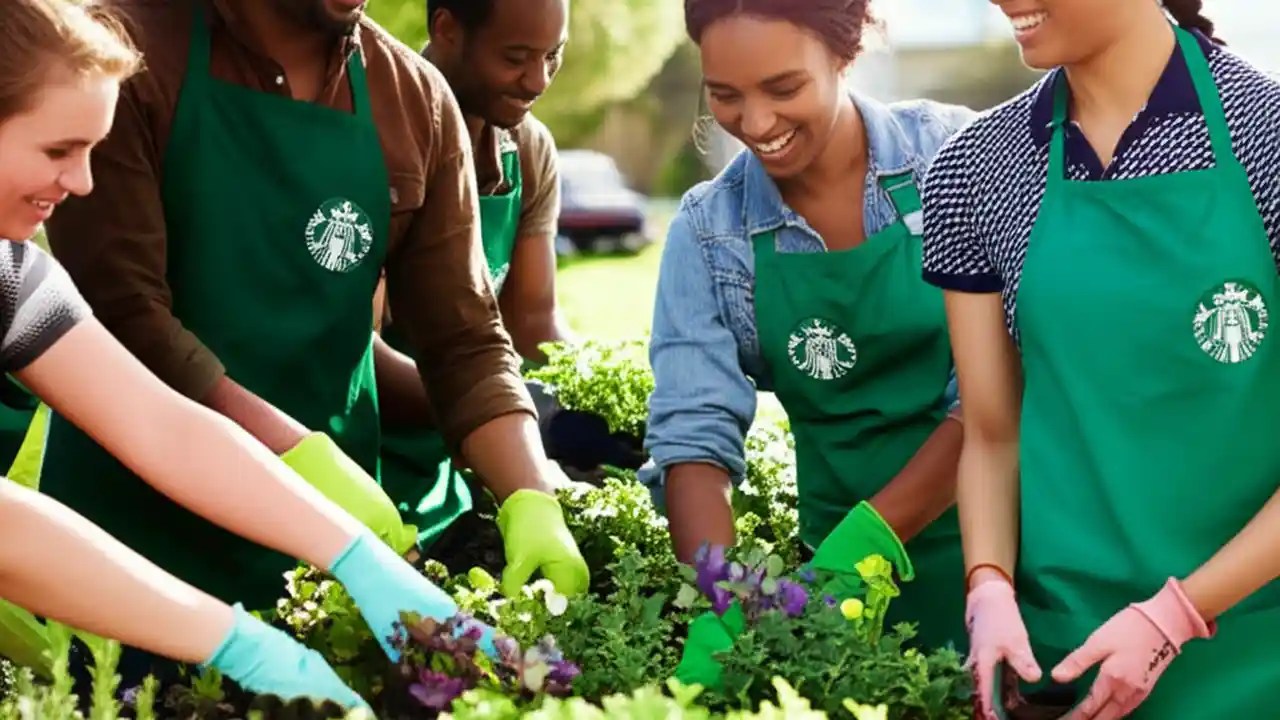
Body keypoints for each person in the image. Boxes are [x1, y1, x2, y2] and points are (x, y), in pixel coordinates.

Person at [39, 0, 589, 624]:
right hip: (135, 547)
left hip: (332, 557)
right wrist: (298, 461)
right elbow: (125, 315)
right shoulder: (125, 53)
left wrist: (531, 494)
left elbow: (465, 342)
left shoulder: (413, 100)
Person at [0, 0, 481, 707]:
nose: (82, 184)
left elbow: (162, 424)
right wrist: (235, 642)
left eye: (91, 152)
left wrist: (357, 556)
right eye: (57, 151)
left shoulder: (13, 277)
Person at [921, 1, 1280, 718]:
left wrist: (1173, 615)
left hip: (1253, 655)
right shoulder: (974, 169)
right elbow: (993, 432)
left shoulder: (1267, 136)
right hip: (1066, 661)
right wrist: (987, 586)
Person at [645, 0, 976, 689]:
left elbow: (1000, 385)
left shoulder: (954, 160)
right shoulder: (712, 233)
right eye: (725, 96)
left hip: (1002, 561)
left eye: (783, 88)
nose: (755, 124)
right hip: (834, 590)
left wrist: (871, 543)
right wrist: (722, 596)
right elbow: (695, 434)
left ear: (845, 51)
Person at [373, 0, 641, 555]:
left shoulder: (528, 149)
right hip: (375, 462)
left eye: (554, 57)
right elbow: (360, 358)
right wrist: (497, 415)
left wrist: (630, 407)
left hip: (468, 449)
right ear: (446, 28)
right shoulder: (383, 136)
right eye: (516, 57)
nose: (538, 80)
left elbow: (534, 322)